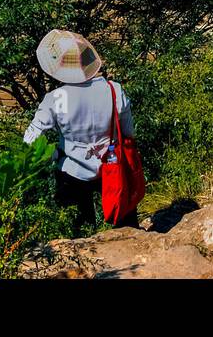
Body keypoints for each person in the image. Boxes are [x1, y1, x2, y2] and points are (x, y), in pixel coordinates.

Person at [22, 29, 136, 229]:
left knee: (76, 230)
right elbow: (128, 133)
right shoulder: (114, 90)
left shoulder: (56, 99)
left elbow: (30, 139)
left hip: (71, 170)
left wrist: (53, 154)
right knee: (126, 224)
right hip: (111, 167)